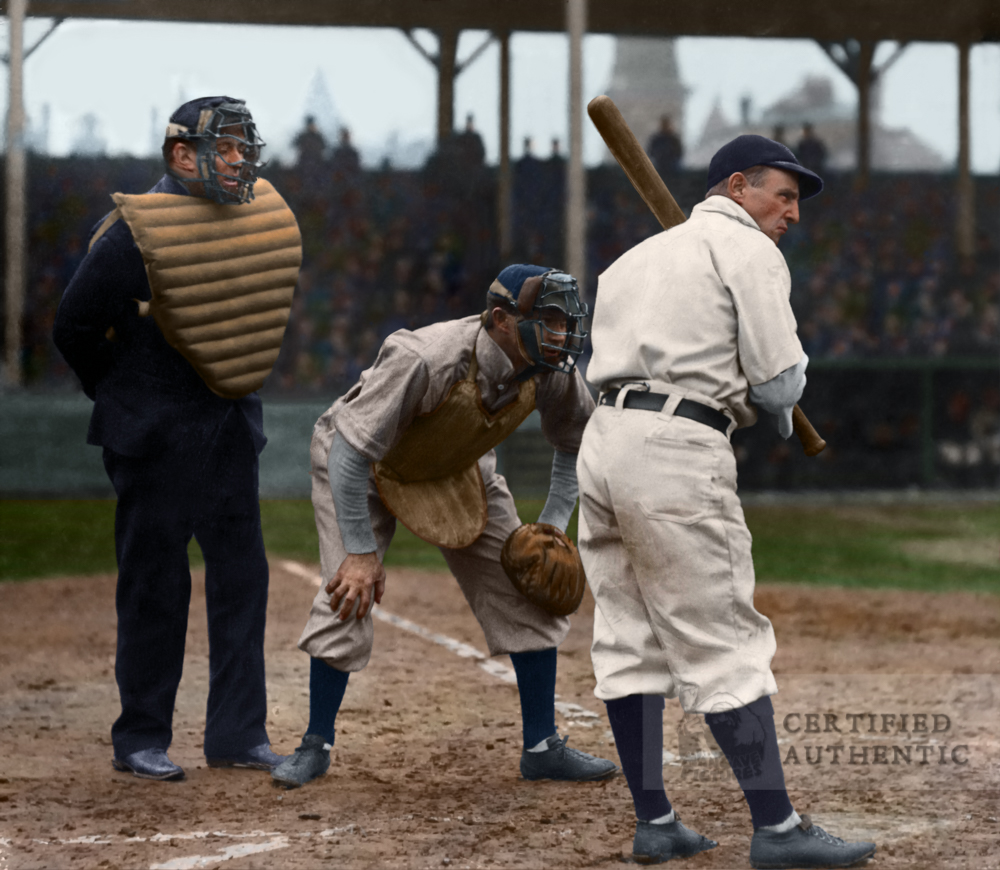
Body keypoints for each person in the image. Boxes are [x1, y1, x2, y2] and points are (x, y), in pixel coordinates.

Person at [576, 135, 878, 868]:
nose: (793, 214)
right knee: (723, 636)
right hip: (679, 446)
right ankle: (777, 830)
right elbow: (778, 382)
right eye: (784, 195)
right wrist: (781, 400)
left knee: (628, 636)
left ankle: (657, 823)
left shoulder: (629, 261)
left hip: (607, 438)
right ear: (739, 186)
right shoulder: (747, 251)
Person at [271, 265, 619, 789]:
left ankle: (542, 747)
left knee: (528, 591)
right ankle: (315, 744)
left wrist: (551, 524)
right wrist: (361, 553)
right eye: (548, 319)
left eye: (565, 321)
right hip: (365, 464)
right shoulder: (426, 357)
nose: (562, 333)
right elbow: (348, 452)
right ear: (501, 319)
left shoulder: (553, 369)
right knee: (347, 591)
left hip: (458, 467)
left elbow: (574, 443)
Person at [53, 96, 301, 781]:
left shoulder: (249, 222)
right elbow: (72, 328)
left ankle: (237, 734)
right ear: (180, 155)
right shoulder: (133, 232)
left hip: (227, 431)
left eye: (244, 148)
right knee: (155, 588)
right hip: (151, 441)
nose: (239, 160)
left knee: (242, 582)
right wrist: (127, 396)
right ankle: (140, 738)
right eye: (224, 148)